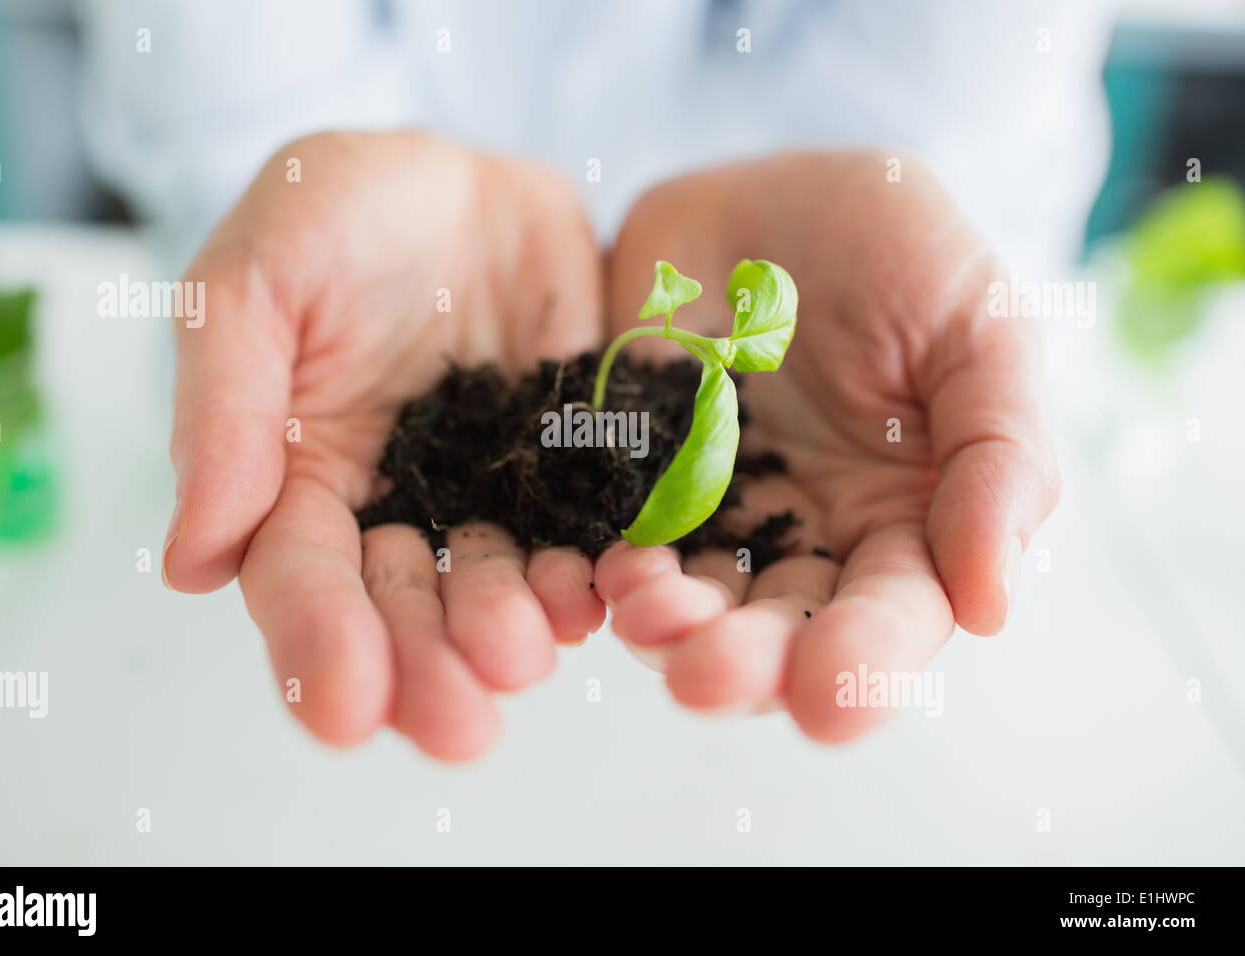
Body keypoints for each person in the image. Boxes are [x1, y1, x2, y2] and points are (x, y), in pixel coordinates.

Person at [80, 1, 1111, 759]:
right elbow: (231, 76)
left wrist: (903, 179)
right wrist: (283, 173)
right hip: (359, 361)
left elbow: (961, 80)